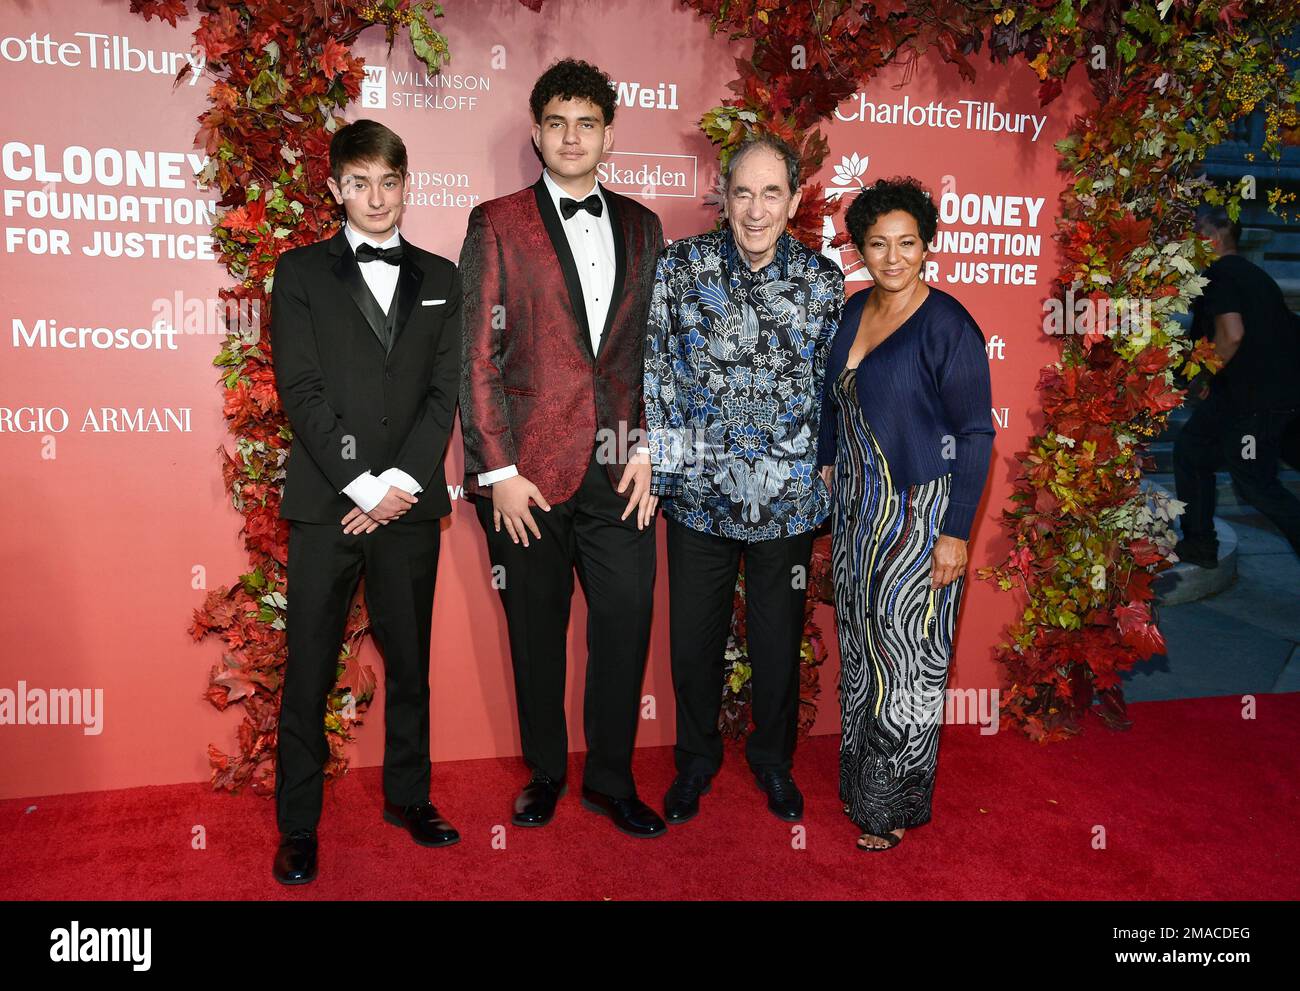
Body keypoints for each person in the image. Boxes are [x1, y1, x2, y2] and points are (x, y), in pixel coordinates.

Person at [458, 58, 667, 839]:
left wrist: (652, 446)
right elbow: (474, 356)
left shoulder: (646, 227)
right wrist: (499, 471)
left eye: (587, 123)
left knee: (625, 624)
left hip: (621, 471)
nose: (572, 137)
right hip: (527, 480)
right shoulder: (496, 221)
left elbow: (660, 354)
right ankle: (547, 772)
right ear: (537, 134)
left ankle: (611, 779)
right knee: (535, 634)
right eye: (557, 123)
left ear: (608, 134)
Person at [269, 119, 463, 884]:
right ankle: (299, 824)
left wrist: (401, 486)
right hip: (328, 503)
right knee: (310, 665)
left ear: (406, 185)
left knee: (411, 664)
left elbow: (443, 392)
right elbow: (303, 391)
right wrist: (363, 486)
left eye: (389, 182)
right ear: (334, 188)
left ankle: (409, 799)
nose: (376, 198)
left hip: (410, 506)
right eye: (359, 183)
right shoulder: (300, 273)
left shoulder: (443, 274)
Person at [644, 134, 843, 826]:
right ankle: (695, 762)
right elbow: (658, 375)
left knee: (776, 647)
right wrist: (664, 467)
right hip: (698, 497)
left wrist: (826, 466)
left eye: (770, 193)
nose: (755, 209)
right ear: (723, 198)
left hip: (787, 505)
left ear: (793, 200)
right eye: (742, 193)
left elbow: (833, 389)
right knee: (692, 644)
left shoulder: (823, 284)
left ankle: (773, 763)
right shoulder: (681, 267)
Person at [816, 177, 994, 851]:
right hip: (859, 511)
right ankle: (862, 784)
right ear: (860, 249)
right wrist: (830, 461)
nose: (892, 257)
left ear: (927, 245)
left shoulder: (949, 325)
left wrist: (956, 533)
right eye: (877, 244)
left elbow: (975, 433)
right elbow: (835, 400)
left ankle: (892, 805)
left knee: (909, 659)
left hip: (921, 515)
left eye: (906, 243)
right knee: (863, 652)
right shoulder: (854, 310)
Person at [1174, 205, 1300, 567]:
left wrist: (1205, 373)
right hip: (1255, 397)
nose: (1188, 237)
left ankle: (1200, 543)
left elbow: (1231, 335)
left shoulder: (1220, 275)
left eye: (1196, 230)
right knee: (1193, 451)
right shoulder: (1256, 276)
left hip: (1254, 404)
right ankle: (1199, 544)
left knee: (1255, 484)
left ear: (1213, 239)